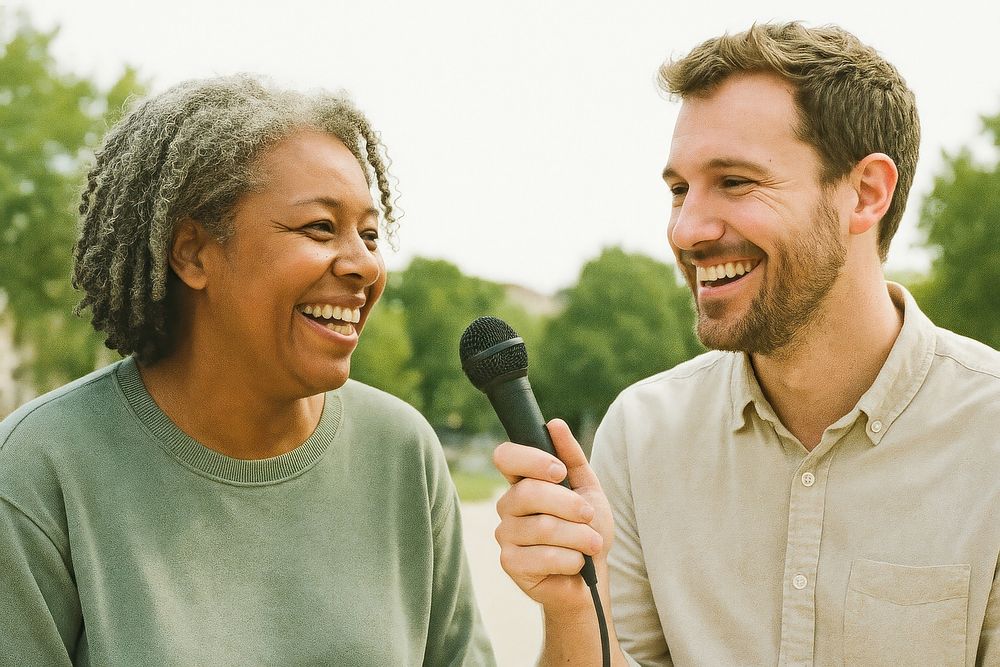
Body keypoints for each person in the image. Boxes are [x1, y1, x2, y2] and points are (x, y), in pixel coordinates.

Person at [493, 22, 1000, 666]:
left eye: (735, 182)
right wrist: (571, 605)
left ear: (865, 193)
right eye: (680, 190)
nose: (686, 229)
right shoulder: (642, 434)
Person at [0, 75, 495, 665]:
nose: (365, 265)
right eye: (320, 227)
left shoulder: (402, 450)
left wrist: (567, 604)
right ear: (193, 253)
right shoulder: (41, 466)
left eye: (370, 233)